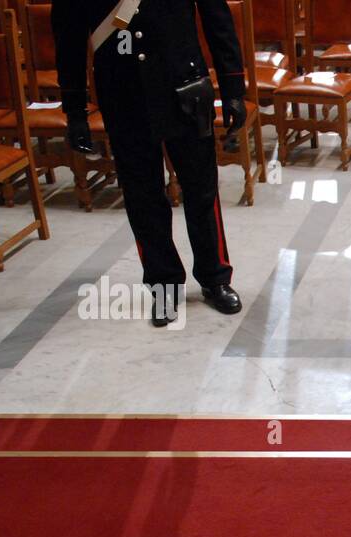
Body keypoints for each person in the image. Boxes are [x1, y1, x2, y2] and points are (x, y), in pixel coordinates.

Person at [52, 0, 248, 326]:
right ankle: (164, 285)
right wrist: (74, 110)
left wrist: (233, 88)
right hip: (123, 96)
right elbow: (69, 36)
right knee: (143, 197)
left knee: (201, 189)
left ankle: (215, 278)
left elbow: (217, 18)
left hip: (184, 87)